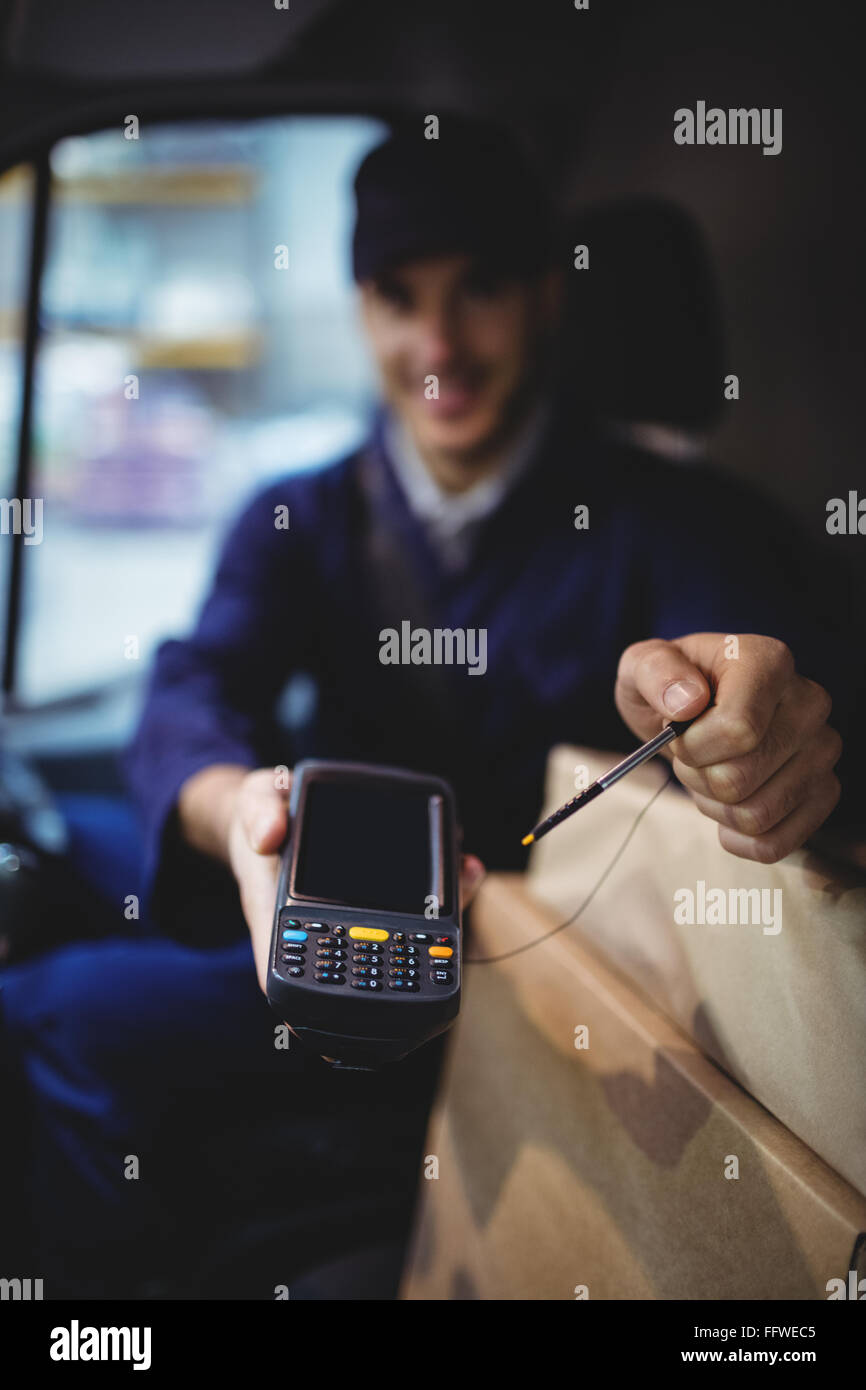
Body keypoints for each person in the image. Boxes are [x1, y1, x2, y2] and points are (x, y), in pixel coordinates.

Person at [2, 118, 857, 1300]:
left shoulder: (675, 524)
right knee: (47, 933)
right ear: (359, 309)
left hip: (521, 986)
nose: (438, 343)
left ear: (547, 300)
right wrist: (233, 813)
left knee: (55, 1008)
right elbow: (196, 687)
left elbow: (756, 671)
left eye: (481, 291)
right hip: (321, 925)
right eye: (398, 297)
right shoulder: (294, 518)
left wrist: (759, 737)